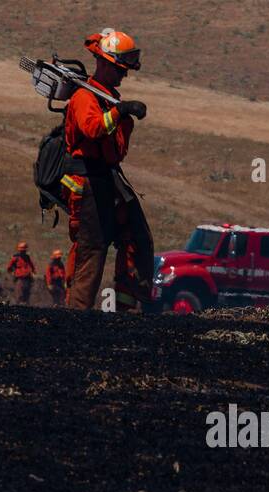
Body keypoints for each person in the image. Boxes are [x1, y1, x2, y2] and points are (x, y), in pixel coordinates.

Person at [62, 30, 155, 311]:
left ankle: (127, 309)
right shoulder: (84, 97)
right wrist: (121, 111)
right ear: (103, 63)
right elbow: (92, 128)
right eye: (119, 69)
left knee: (137, 237)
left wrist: (119, 111)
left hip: (108, 178)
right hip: (88, 180)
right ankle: (76, 319)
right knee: (92, 248)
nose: (122, 76)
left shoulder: (106, 98)